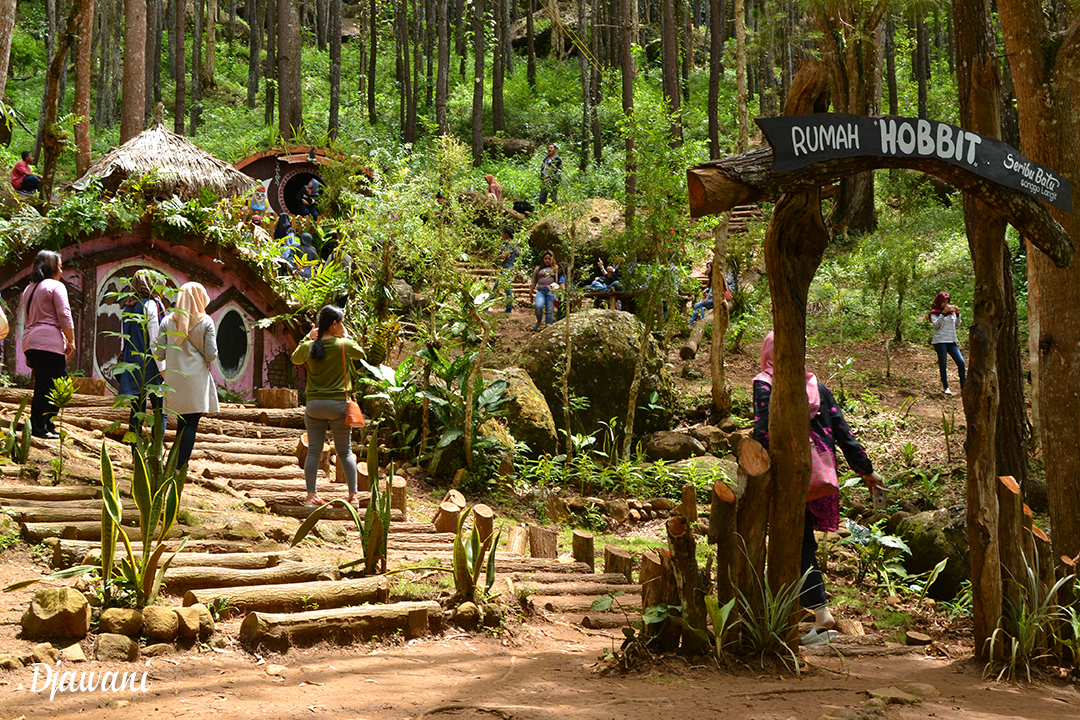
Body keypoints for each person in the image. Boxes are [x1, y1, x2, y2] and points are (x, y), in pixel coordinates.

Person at [752, 331, 886, 647]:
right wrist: (866, 471)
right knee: (802, 542)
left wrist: (759, 474)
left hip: (788, 478)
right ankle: (794, 612)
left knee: (797, 545)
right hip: (819, 477)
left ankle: (821, 617)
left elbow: (762, 431)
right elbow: (843, 433)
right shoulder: (817, 386)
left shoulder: (765, 383)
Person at [291, 305, 364, 507]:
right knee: (345, 452)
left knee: (314, 452)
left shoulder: (309, 346)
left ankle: (311, 496)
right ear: (334, 325)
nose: (343, 326)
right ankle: (354, 496)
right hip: (339, 406)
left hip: (314, 405)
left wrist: (307, 337)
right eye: (341, 323)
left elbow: (295, 358)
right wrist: (347, 336)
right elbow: (360, 353)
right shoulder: (343, 345)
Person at [155, 282, 218, 471]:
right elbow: (210, 354)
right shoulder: (206, 322)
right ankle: (181, 466)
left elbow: (158, 353)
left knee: (181, 424)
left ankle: (176, 461)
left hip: (174, 379)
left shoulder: (167, 321)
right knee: (191, 424)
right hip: (196, 379)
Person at [21, 250, 75, 438]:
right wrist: (71, 340)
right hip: (48, 342)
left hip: (30, 341)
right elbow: (65, 314)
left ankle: (48, 423)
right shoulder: (55, 286)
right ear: (52, 266)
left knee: (60, 382)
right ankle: (38, 429)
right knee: (47, 385)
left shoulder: (29, 288)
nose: (61, 270)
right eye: (59, 266)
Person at [115, 270, 165, 436]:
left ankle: (135, 452)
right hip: (150, 366)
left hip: (132, 364)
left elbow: (124, 342)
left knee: (136, 411)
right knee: (159, 411)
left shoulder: (129, 306)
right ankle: (156, 452)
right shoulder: (150, 305)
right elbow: (154, 340)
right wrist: (163, 369)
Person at [930, 291, 965, 396]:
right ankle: (946, 387)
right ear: (939, 302)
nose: (946, 304)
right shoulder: (934, 313)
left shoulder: (952, 313)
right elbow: (936, 325)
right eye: (943, 302)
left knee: (961, 362)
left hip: (951, 340)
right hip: (940, 341)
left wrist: (958, 314)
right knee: (943, 362)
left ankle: (963, 387)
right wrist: (943, 314)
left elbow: (957, 325)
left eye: (947, 302)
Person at [530, 249, 560, 329]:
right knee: (538, 306)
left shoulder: (555, 268)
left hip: (551, 291)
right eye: (545, 259)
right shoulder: (538, 269)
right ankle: (539, 321)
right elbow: (534, 281)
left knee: (550, 309)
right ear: (543, 259)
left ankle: (548, 325)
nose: (547, 260)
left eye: (549, 259)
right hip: (541, 291)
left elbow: (557, 280)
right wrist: (531, 291)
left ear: (552, 259)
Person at [493, 226, 519, 313]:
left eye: (503, 233)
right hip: (508, 268)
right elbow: (518, 254)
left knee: (505, 288)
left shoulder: (508, 244)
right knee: (497, 287)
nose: (502, 235)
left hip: (506, 269)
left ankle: (508, 308)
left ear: (506, 234)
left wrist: (500, 256)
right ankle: (488, 305)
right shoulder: (513, 244)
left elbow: (504, 256)